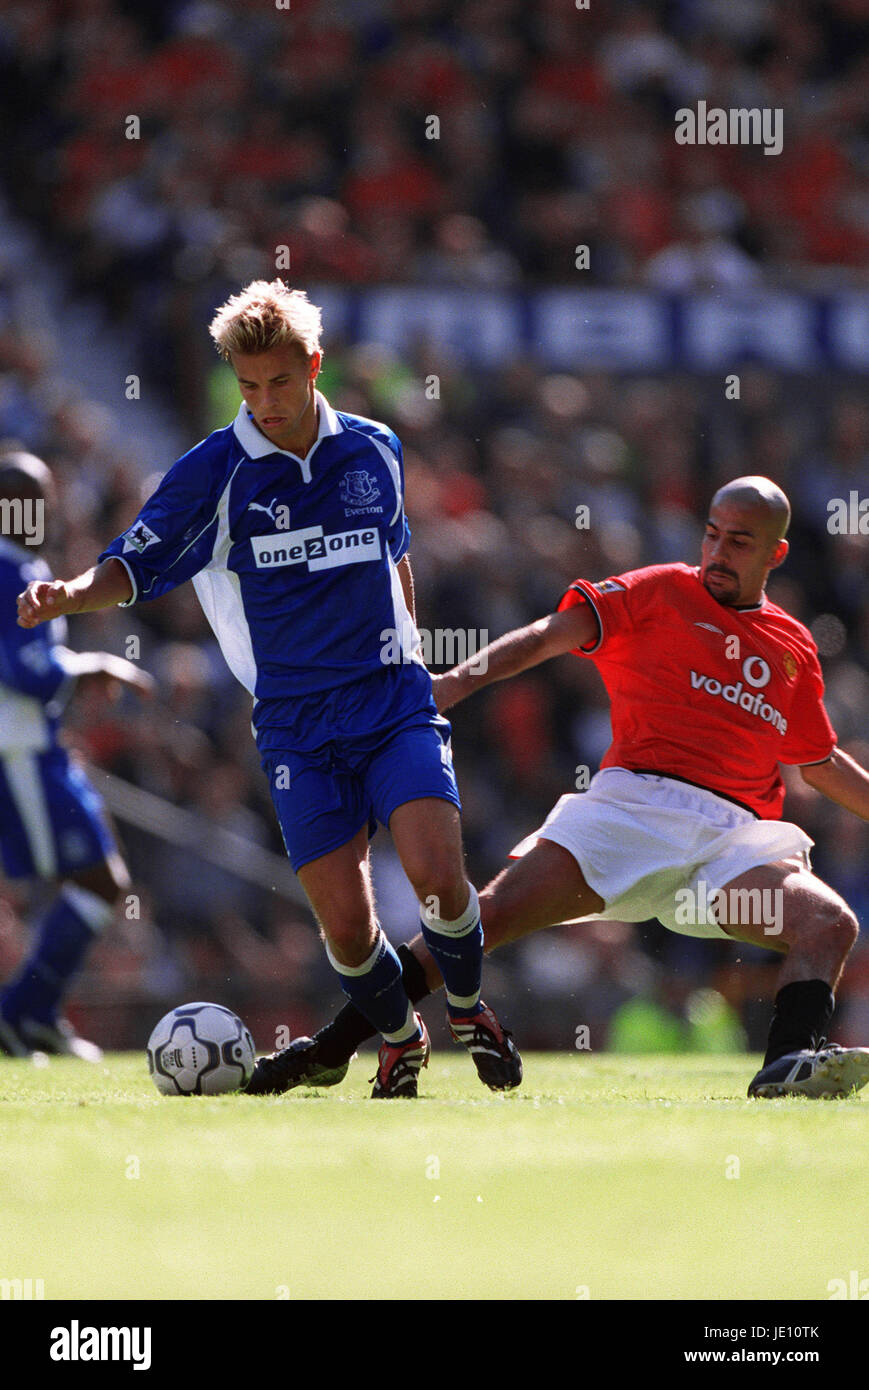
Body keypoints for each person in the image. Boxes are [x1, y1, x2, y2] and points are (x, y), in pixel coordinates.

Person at [16, 281, 519, 1098]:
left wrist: (415, 653)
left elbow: (393, 557)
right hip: (294, 720)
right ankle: (400, 1038)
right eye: (247, 387)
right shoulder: (215, 470)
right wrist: (70, 594)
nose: (263, 402)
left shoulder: (375, 449)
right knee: (348, 929)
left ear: (313, 366)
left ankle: (467, 1006)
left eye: (278, 383)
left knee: (437, 875)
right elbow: (133, 563)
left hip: (391, 698)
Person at [245, 476, 869, 1100]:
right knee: (478, 921)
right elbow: (549, 634)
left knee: (827, 922)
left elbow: (818, 762)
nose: (718, 552)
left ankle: (786, 1067)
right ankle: (330, 1047)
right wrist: (451, 685)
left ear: (775, 554)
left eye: (739, 542)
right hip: (631, 811)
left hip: (731, 843)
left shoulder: (793, 647)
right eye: (711, 535)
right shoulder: (660, 591)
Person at [0, 449, 153, 1059]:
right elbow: (24, 670)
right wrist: (96, 664)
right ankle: (22, 1014)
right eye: (27, 499)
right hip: (19, 751)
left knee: (96, 879)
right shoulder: (7, 572)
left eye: (45, 498)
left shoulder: (23, 565)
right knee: (96, 879)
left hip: (37, 748)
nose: (44, 510)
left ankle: (29, 1014)